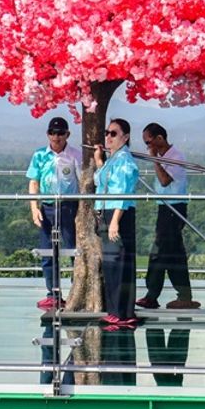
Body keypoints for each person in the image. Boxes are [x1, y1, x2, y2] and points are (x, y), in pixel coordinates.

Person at [136, 123, 200, 311]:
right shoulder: (165, 157)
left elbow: (164, 181)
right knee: (172, 254)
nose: (148, 147)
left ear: (160, 138)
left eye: (149, 142)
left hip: (174, 209)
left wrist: (154, 160)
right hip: (165, 208)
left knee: (160, 252)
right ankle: (182, 295)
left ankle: (153, 295)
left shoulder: (176, 157)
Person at [26, 116, 81, 310]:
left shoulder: (75, 155)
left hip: (69, 206)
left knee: (74, 249)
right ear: (47, 134)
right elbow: (33, 182)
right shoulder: (40, 155)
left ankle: (77, 289)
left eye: (60, 133)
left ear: (67, 134)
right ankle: (53, 293)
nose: (56, 137)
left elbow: (83, 183)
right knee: (49, 251)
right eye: (52, 133)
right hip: (47, 207)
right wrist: (34, 208)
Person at [94, 118, 140, 330]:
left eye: (113, 133)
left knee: (119, 264)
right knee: (111, 264)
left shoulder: (125, 160)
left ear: (126, 137)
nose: (108, 137)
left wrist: (114, 222)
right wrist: (99, 162)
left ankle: (121, 312)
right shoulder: (114, 158)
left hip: (117, 214)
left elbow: (122, 192)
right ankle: (116, 311)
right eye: (107, 133)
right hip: (107, 211)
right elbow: (102, 182)